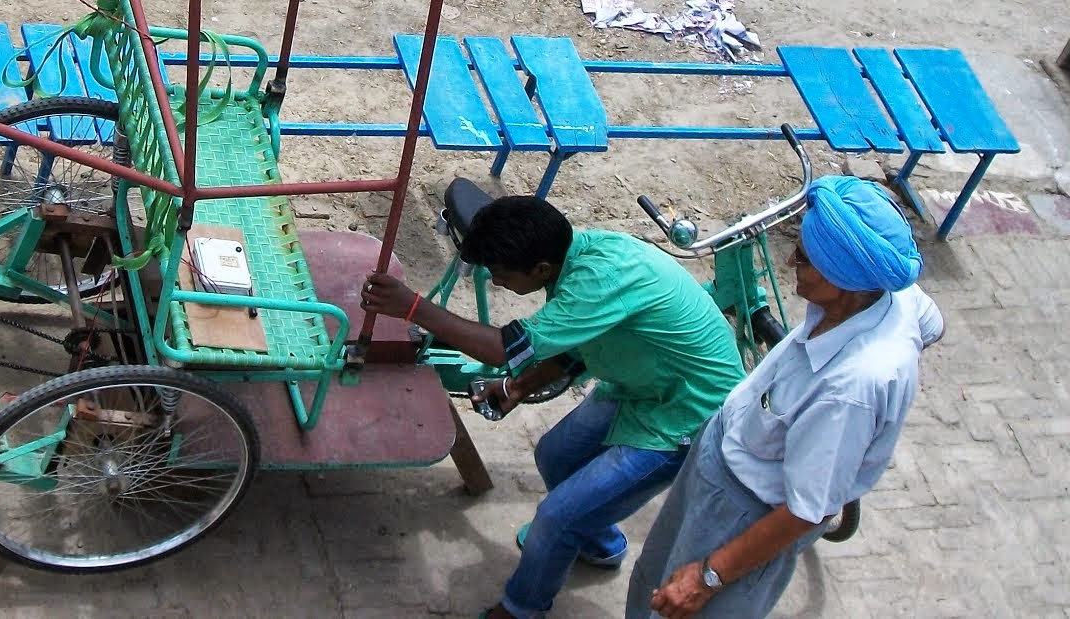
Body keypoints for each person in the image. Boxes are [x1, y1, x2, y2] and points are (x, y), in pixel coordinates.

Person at [359, 194, 745, 619]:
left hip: (688, 414)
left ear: (541, 268)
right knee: (555, 456)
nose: (497, 283)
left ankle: (521, 609)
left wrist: (414, 307)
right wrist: (519, 386)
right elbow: (577, 342)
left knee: (555, 519)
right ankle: (598, 542)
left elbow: (502, 349)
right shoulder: (579, 255)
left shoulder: (597, 280)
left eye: (501, 274)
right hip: (644, 383)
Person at [626, 176, 945, 619]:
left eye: (806, 259)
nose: (792, 260)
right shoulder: (889, 289)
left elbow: (806, 512)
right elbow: (933, 324)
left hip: (743, 510)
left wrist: (708, 577)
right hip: (722, 449)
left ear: (847, 283)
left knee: (679, 604)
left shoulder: (851, 389)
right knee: (653, 578)